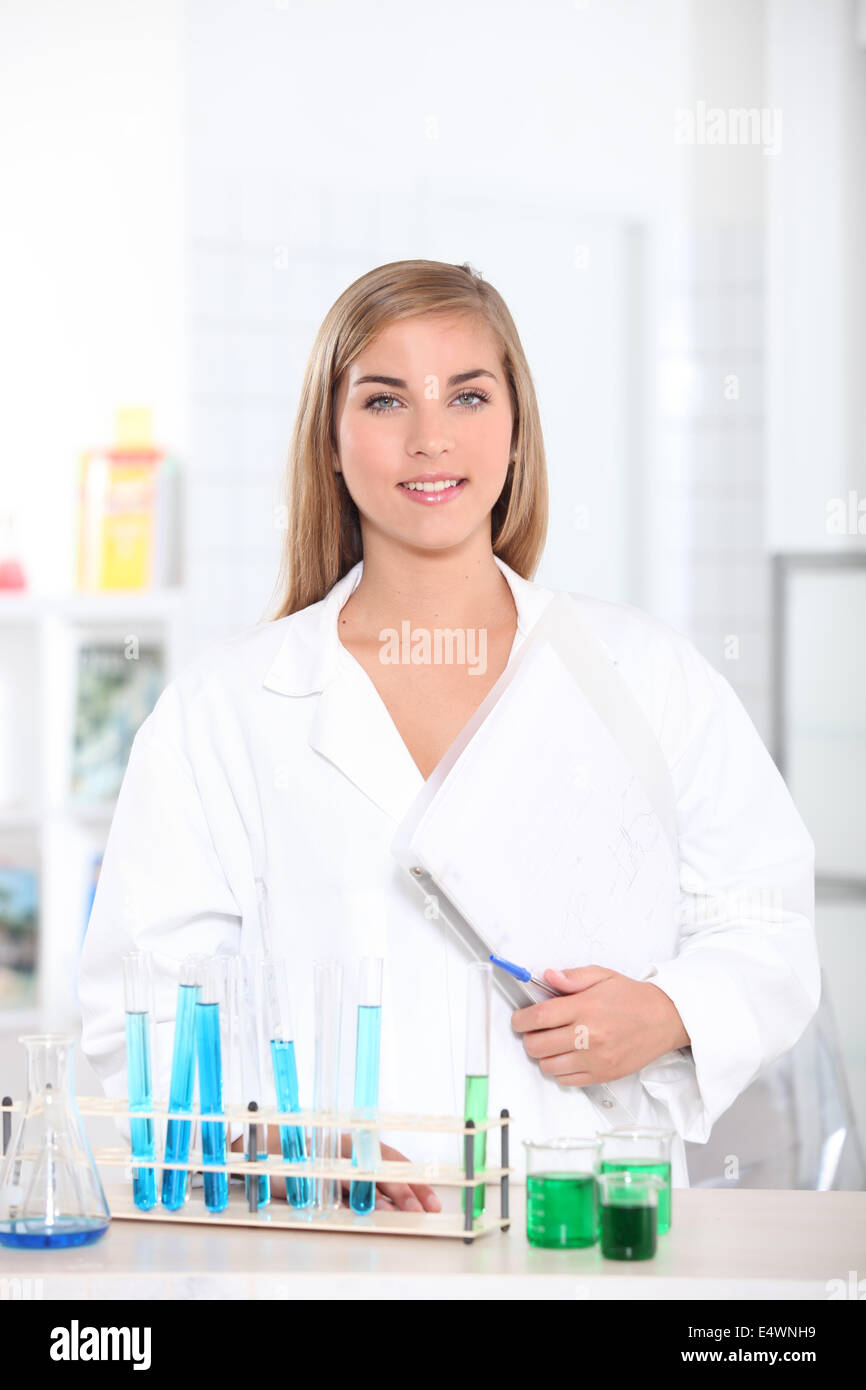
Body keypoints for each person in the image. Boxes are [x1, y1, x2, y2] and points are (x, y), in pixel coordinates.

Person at [78, 259, 820, 1212]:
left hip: (584, 1230)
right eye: (385, 401)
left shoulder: (645, 674)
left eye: (468, 395)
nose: (431, 437)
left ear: (516, 432)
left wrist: (673, 1014)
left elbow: (767, 922)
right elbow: (138, 1003)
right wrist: (282, 1137)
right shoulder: (223, 709)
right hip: (322, 1247)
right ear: (332, 443)